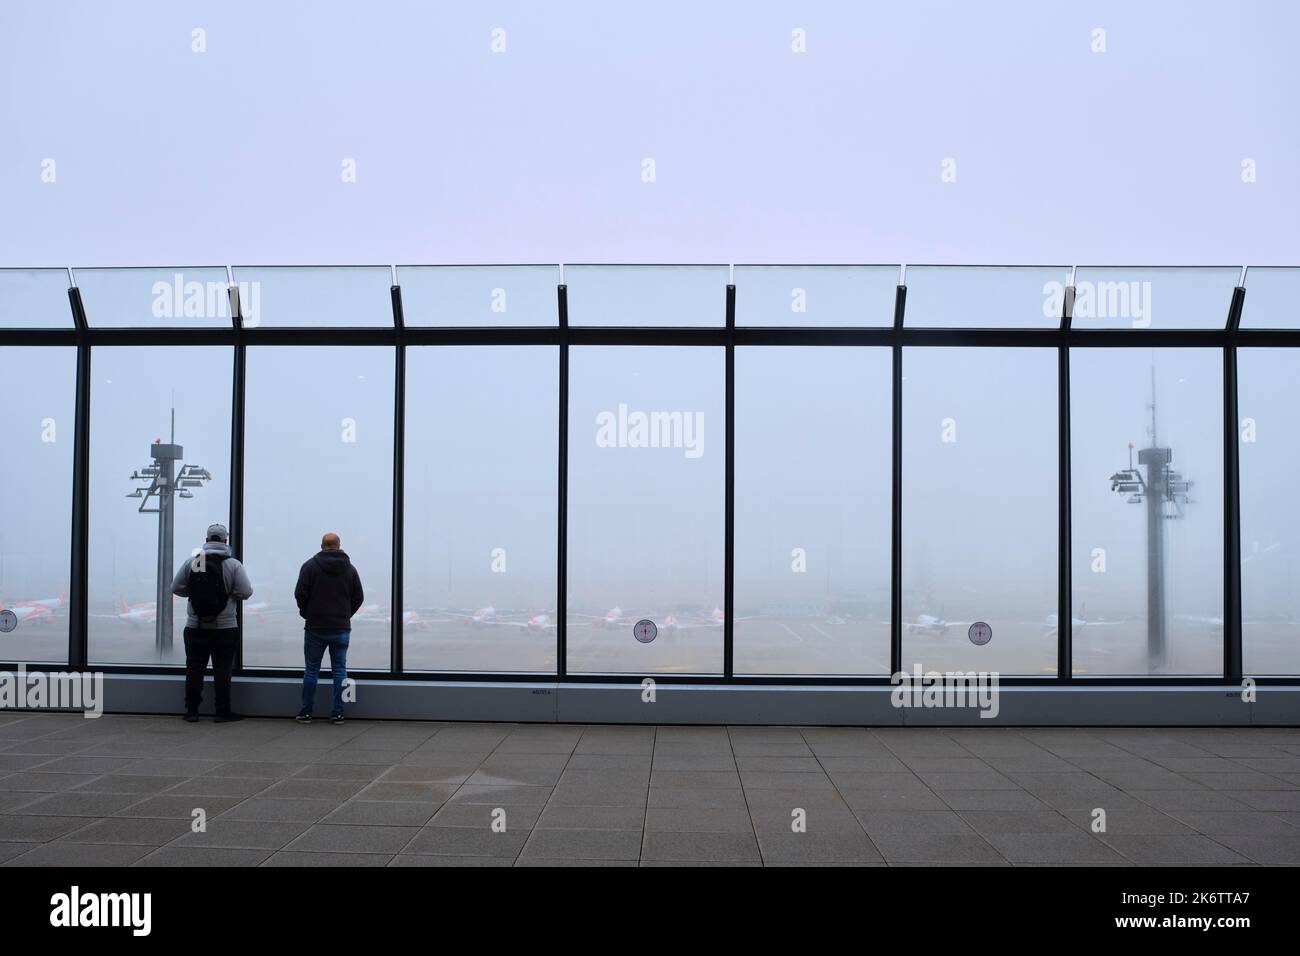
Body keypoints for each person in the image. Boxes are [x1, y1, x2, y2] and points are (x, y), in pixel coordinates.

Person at [171, 523, 253, 723]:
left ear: (207, 540)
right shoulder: (233, 565)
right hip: (225, 628)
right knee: (222, 670)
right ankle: (222, 711)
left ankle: (192, 711)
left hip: (194, 626)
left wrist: (193, 593)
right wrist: (229, 594)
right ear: (225, 541)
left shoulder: (194, 562)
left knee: (194, 669)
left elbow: (176, 587)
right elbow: (246, 592)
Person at [294, 532, 363, 724]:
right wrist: (345, 614)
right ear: (339, 545)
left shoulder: (309, 567)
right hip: (341, 627)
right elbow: (359, 597)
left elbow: (300, 593)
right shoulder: (350, 569)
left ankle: (306, 712)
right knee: (340, 670)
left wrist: (307, 613)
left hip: (315, 627)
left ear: (322, 545)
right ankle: (338, 713)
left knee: (311, 670)